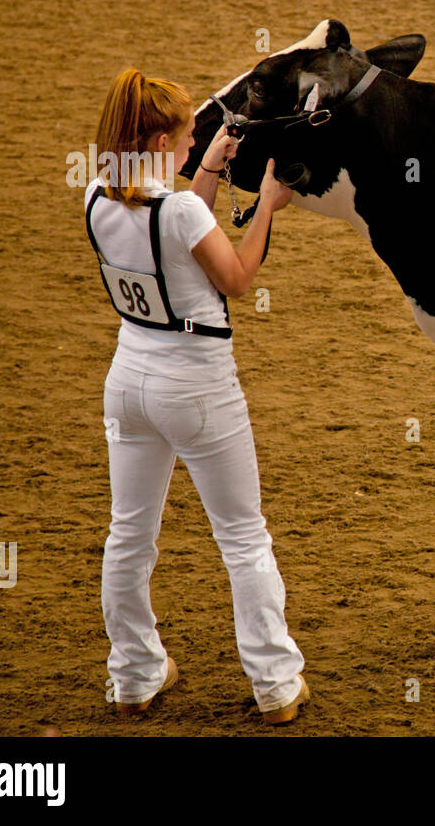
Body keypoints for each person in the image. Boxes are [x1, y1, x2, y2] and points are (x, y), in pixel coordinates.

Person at [86, 67, 309, 725]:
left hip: (129, 379)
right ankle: (276, 684)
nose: (193, 143)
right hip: (199, 383)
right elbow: (233, 277)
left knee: (129, 534)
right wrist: (267, 206)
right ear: (157, 139)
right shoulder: (179, 209)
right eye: (187, 136)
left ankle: (133, 675)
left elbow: (176, 234)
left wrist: (208, 169)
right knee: (243, 535)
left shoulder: (98, 195)